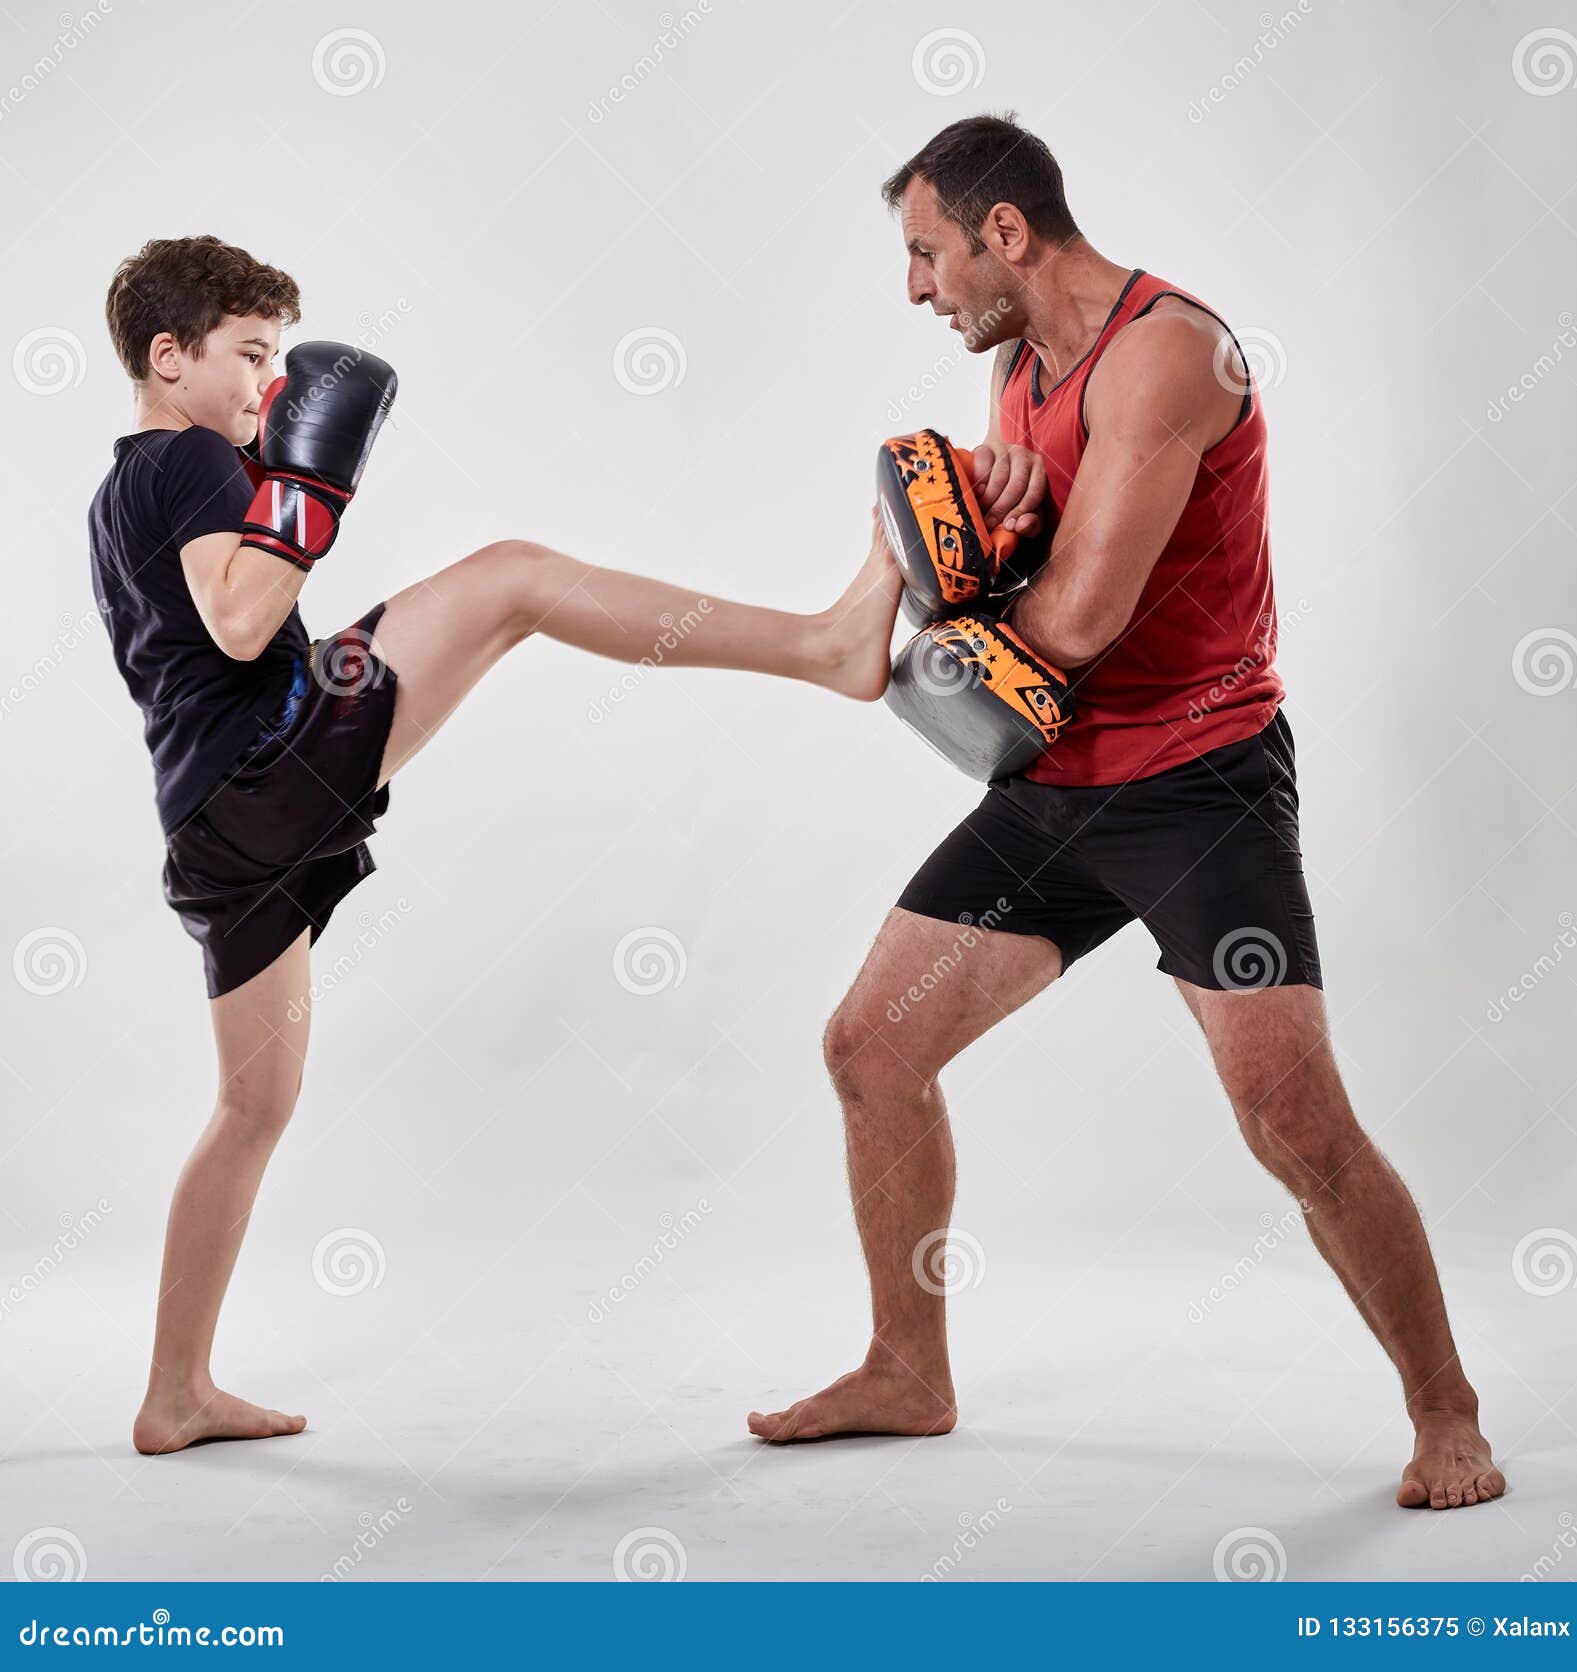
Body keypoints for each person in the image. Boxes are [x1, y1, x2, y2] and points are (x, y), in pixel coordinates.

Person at [747, 114, 1505, 1514]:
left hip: (1195, 785)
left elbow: (1080, 620)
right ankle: (908, 1371)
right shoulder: (1022, 364)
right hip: (1056, 782)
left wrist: (950, 585)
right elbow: (1020, 605)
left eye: (927, 255)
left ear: (1005, 233)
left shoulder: (1169, 352)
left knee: (1291, 1121)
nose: (917, 289)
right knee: (872, 1048)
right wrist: (994, 529)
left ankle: (1445, 1408)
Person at [88, 235, 944, 1456]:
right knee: (514, 580)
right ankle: (822, 645)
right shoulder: (188, 460)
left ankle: (172, 1392)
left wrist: (279, 487)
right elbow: (237, 621)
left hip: (211, 831)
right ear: (168, 359)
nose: (268, 389)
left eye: (277, 360)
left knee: (249, 1107)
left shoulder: (122, 485)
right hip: (262, 766)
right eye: (249, 357)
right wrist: (307, 490)